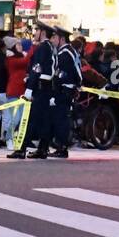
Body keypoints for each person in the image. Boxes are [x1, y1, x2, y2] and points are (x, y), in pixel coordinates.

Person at [10, 22, 53, 159]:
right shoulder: (51, 47)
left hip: (39, 87)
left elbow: (37, 68)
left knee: (30, 120)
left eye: (37, 30)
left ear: (43, 33)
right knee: (44, 120)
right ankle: (43, 148)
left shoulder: (42, 48)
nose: (35, 33)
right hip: (47, 87)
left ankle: (21, 149)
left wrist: (29, 88)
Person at [48, 26, 81, 158]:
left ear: (61, 39)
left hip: (64, 90)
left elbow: (61, 75)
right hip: (68, 89)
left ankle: (62, 148)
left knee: (60, 119)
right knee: (61, 118)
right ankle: (61, 146)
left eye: (55, 37)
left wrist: (55, 91)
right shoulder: (70, 51)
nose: (53, 40)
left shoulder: (65, 53)